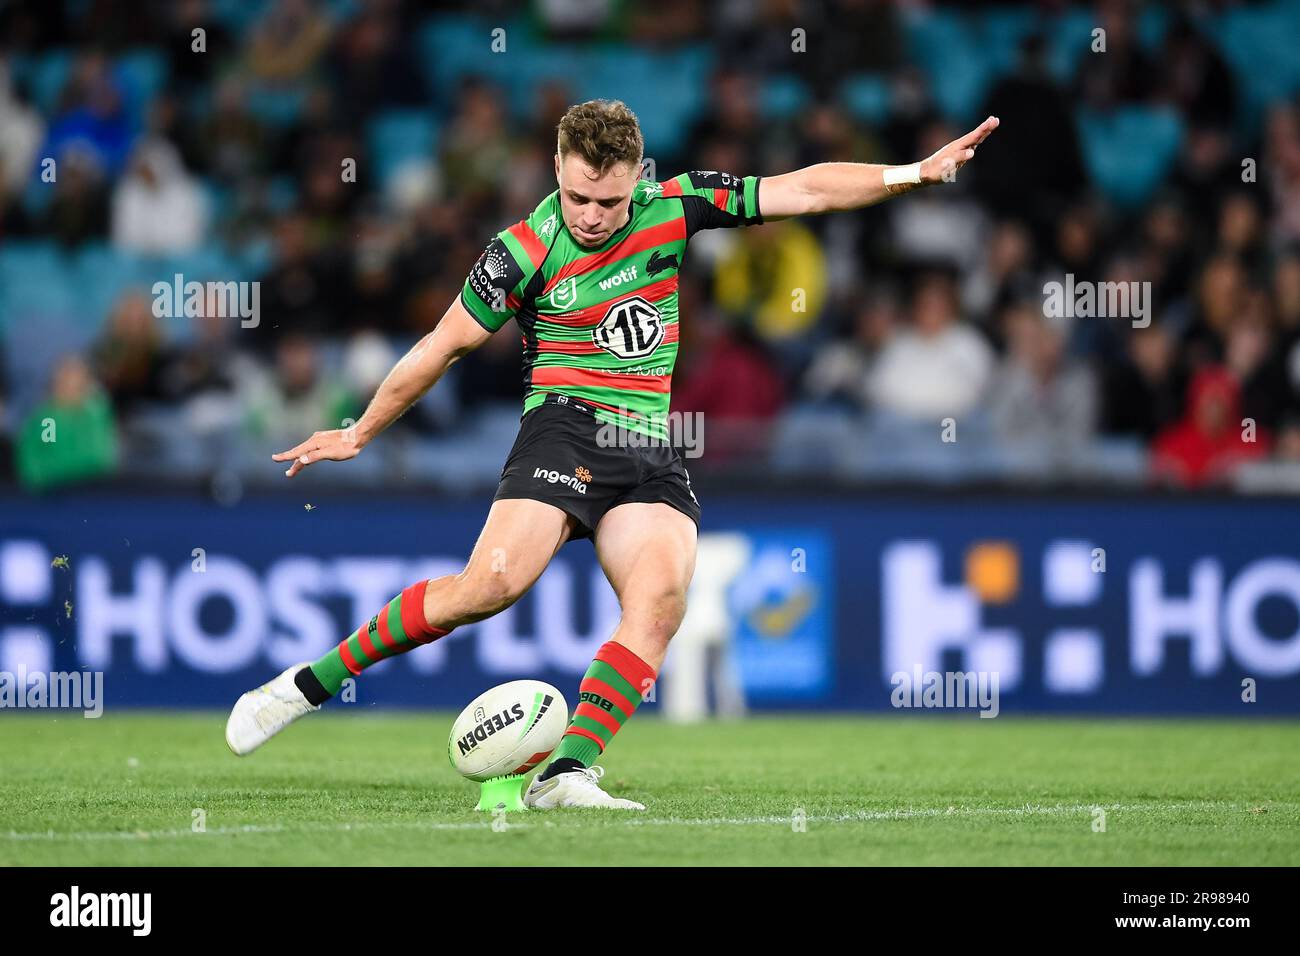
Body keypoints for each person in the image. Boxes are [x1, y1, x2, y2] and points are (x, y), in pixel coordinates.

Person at [225, 99, 999, 809]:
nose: (593, 216)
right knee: (488, 586)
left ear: (639, 179)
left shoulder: (675, 206)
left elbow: (802, 190)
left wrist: (913, 173)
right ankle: (305, 684)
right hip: (564, 428)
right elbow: (443, 345)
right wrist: (362, 428)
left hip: (647, 445)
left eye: (609, 201)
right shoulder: (521, 251)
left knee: (661, 602)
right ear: (556, 172)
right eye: (578, 198)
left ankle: (564, 774)